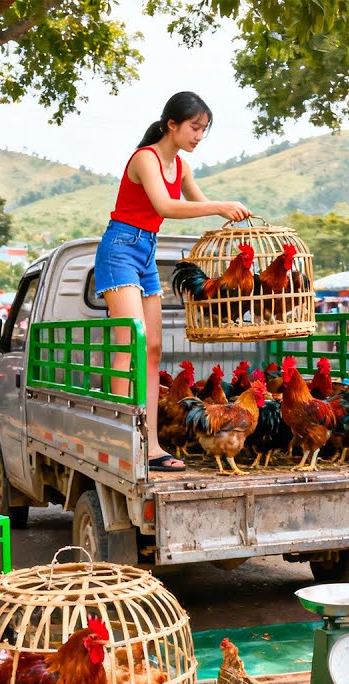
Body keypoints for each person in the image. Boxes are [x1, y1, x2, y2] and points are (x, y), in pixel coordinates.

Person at [95, 91, 251, 473]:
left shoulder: (181, 166)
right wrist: (218, 205)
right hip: (119, 249)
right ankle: (123, 439)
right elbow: (167, 207)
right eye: (195, 128)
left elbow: (197, 203)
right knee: (128, 344)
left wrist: (231, 218)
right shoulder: (145, 158)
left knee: (152, 348)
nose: (199, 136)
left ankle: (149, 443)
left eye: (204, 130)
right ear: (172, 125)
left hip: (146, 252)